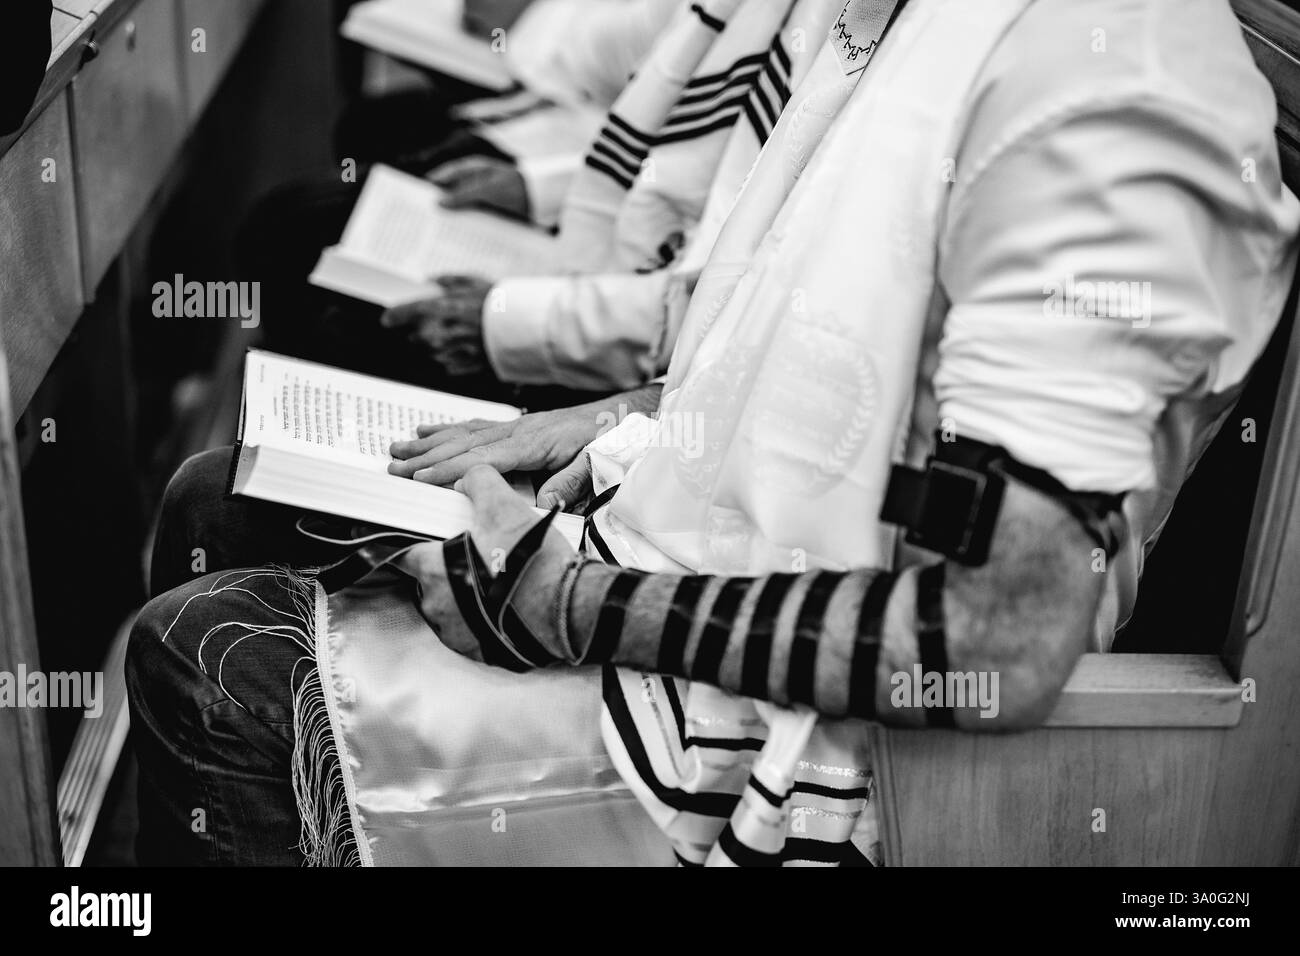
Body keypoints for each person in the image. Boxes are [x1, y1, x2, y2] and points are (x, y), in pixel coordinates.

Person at [128, 0, 1299, 866]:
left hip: (827, 743)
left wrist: (566, 598)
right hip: (694, 550)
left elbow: (1005, 626)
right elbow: (798, 369)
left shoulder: (1110, 85)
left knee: (205, 656)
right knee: (215, 504)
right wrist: (618, 420)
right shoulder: (915, 21)